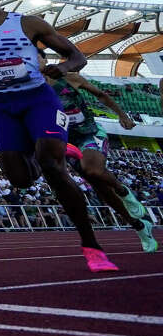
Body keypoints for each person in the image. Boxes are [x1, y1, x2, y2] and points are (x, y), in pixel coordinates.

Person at [0, 0, 112, 272]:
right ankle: (57, 150)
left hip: (38, 100)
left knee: (52, 167)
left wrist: (62, 68)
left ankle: (92, 247)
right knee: (20, 180)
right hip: (1, 107)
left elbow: (76, 56)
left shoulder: (28, 24)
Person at [38, 48, 156, 252]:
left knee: (93, 170)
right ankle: (139, 226)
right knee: (100, 189)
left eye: (35, 57)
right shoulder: (30, 88)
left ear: (43, 59)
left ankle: (124, 192)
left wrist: (122, 115)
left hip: (89, 132)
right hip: (66, 142)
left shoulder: (70, 77)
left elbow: (100, 94)